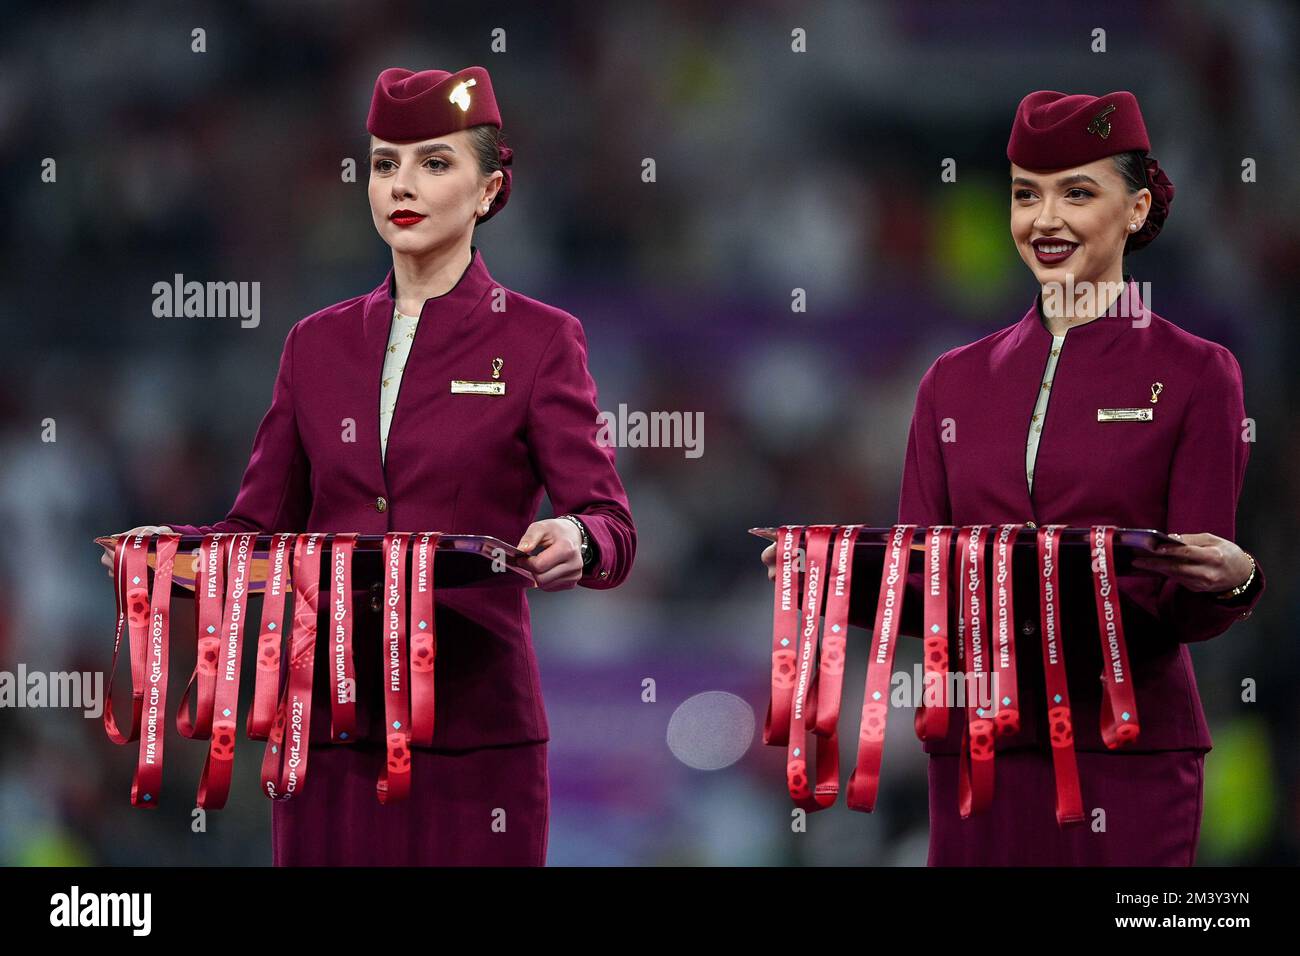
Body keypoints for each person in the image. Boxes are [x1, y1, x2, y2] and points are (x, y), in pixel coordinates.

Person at [104, 65, 635, 865]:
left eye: (435, 162)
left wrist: (577, 537)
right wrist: (175, 552)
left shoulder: (539, 340)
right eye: (385, 163)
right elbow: (257, 529)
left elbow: (611, 522)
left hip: (473, 735)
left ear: (490, 190)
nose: (401, 185)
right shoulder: (313, 345)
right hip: (325, 736)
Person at [761, 90, 1263, 865]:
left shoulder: (1197, 373)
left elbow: (1186, 593)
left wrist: (1234, 584)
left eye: (1078, 193)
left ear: (1136, 210)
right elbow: (925, 587)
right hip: (977, 754)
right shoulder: (950, 382)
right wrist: (831, 577)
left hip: (1124, 751)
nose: (1046, 219)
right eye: (1027, 194)